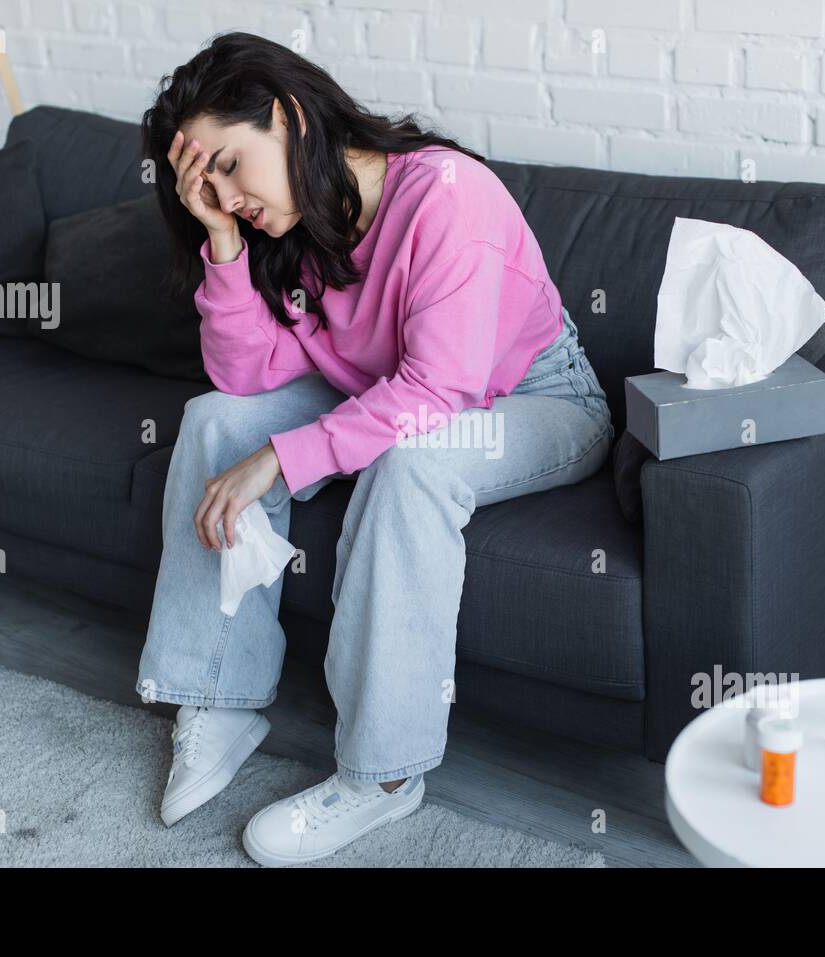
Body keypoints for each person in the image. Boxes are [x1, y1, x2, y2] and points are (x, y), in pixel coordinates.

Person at [136, 31, 613, 867]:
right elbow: (244, 376)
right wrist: (221, 239)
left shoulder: (445, 196)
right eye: (202, 182)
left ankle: (383, 777)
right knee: (215, 419)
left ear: (285, 117)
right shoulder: (293, 225)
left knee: (413, 463)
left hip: (535, 397)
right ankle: (218, 696)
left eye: (229, 165)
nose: (224, 191)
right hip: (382, 387)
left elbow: (437, 392)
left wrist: (283, 459)